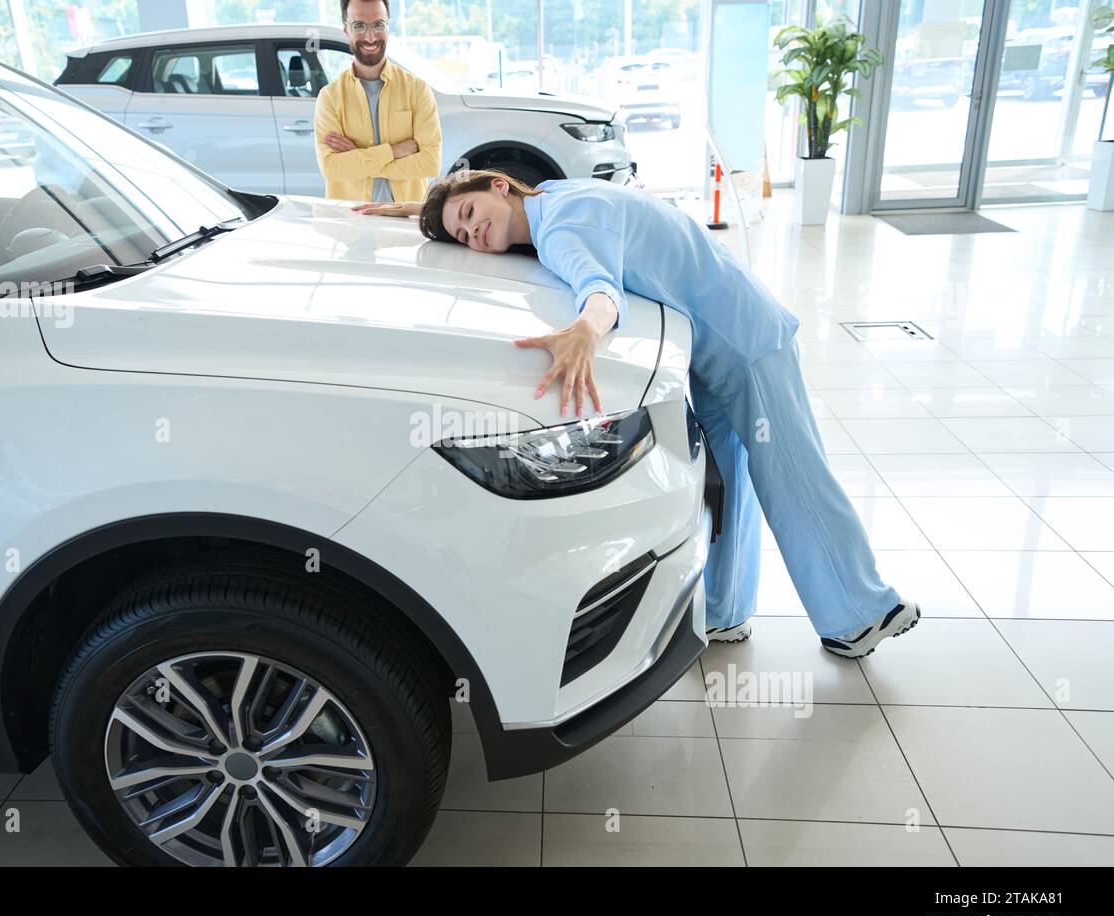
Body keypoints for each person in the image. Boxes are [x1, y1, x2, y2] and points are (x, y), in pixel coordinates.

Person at [360, 171, 920, 658]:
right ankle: (724, 613)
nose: (471, 232)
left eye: (469, 215)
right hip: (718, 347)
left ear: (499, 186)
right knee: (733, 487)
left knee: (794, 477)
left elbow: (600, 291)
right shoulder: (554, 195)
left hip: (747, 341)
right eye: (461, 235)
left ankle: (858, 614)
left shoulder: (560, 230)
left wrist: (584, 332)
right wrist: (416, 210)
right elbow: (498, 209)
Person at [314, 0, 442, 204]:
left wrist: (358, 158)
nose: (370, 36)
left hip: (406, 224)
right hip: (351, 225)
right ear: (346, 30)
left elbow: (430, 163)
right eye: (359, 26)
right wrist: (394, 151)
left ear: (388, 26)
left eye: (378, 24)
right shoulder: (329, 97)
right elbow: (332, 169)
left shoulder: (417, 90)